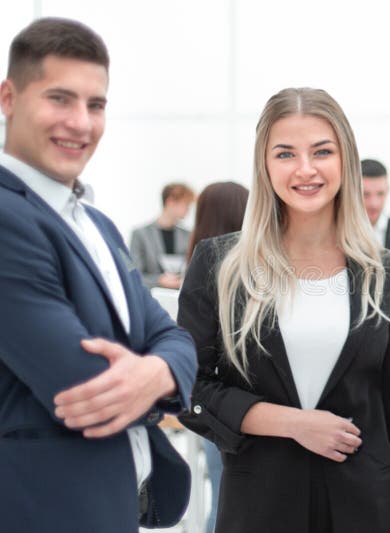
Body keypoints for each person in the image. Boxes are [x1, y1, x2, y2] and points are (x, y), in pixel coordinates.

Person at [178, 87, 390, 533]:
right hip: (260, 507)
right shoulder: (220, 264)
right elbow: (188, 388)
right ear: (264, 164)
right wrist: (292, 423)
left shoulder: (384, 270)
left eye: (322, 151)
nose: (305, 169)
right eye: (285, 154)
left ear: (345, 160)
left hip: (366, 508)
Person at [0, 17, 196, 532]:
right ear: (8, 98)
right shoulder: (6, 217)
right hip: (45, 510)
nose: (81, 123)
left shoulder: (99, 224)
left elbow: (174, 337)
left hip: (112, 507)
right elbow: (86, 387)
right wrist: (164, 368)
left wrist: (159, 371)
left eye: (96, 104)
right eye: (59, 99)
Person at [184, 181, 250, 533]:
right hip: (235, 401)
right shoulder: (238, 270)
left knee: (222, 498)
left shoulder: (199, 263)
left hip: (217, 402)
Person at [130, 182, 196, 289]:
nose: (188, 209)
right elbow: (133, 275)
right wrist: (159, 280)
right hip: (150, 298)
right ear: (170, 202)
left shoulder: (188, 235)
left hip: (180, 298)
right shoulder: (140, 235)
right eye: (186, 204)